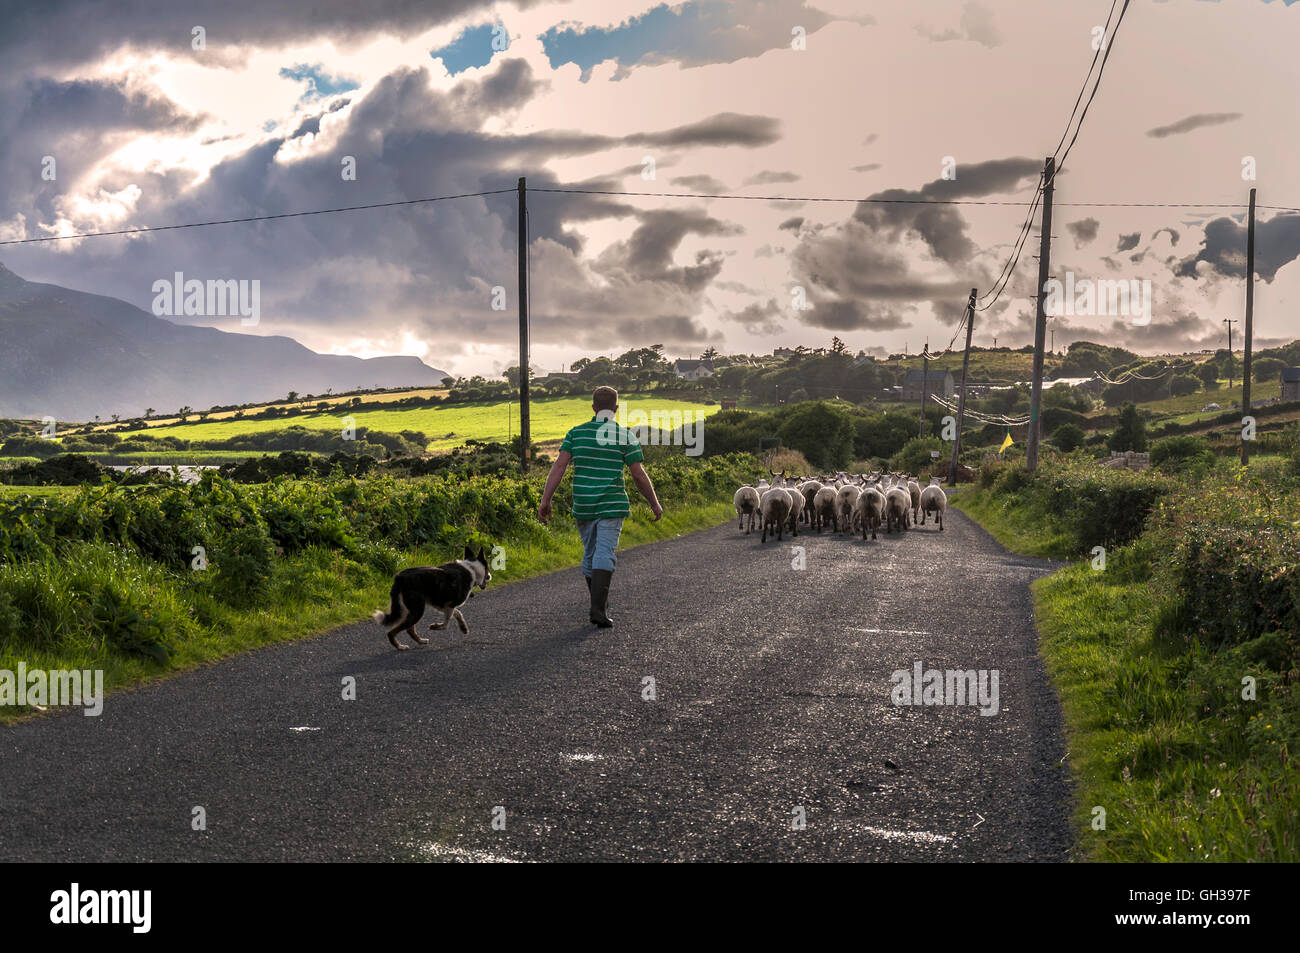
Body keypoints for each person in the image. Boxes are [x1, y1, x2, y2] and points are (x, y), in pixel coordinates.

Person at [537, 386, 662, 627]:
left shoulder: (576, 433)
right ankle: (598, 608)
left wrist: (546, 500)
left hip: (583, 503)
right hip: (612, 504)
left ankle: (599, 606)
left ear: (593, 407)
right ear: (616, 408)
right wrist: (654, 504)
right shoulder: (624, 436)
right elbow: (638, 474)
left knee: (591, 553)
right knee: (604, 553)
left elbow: (559, 467)